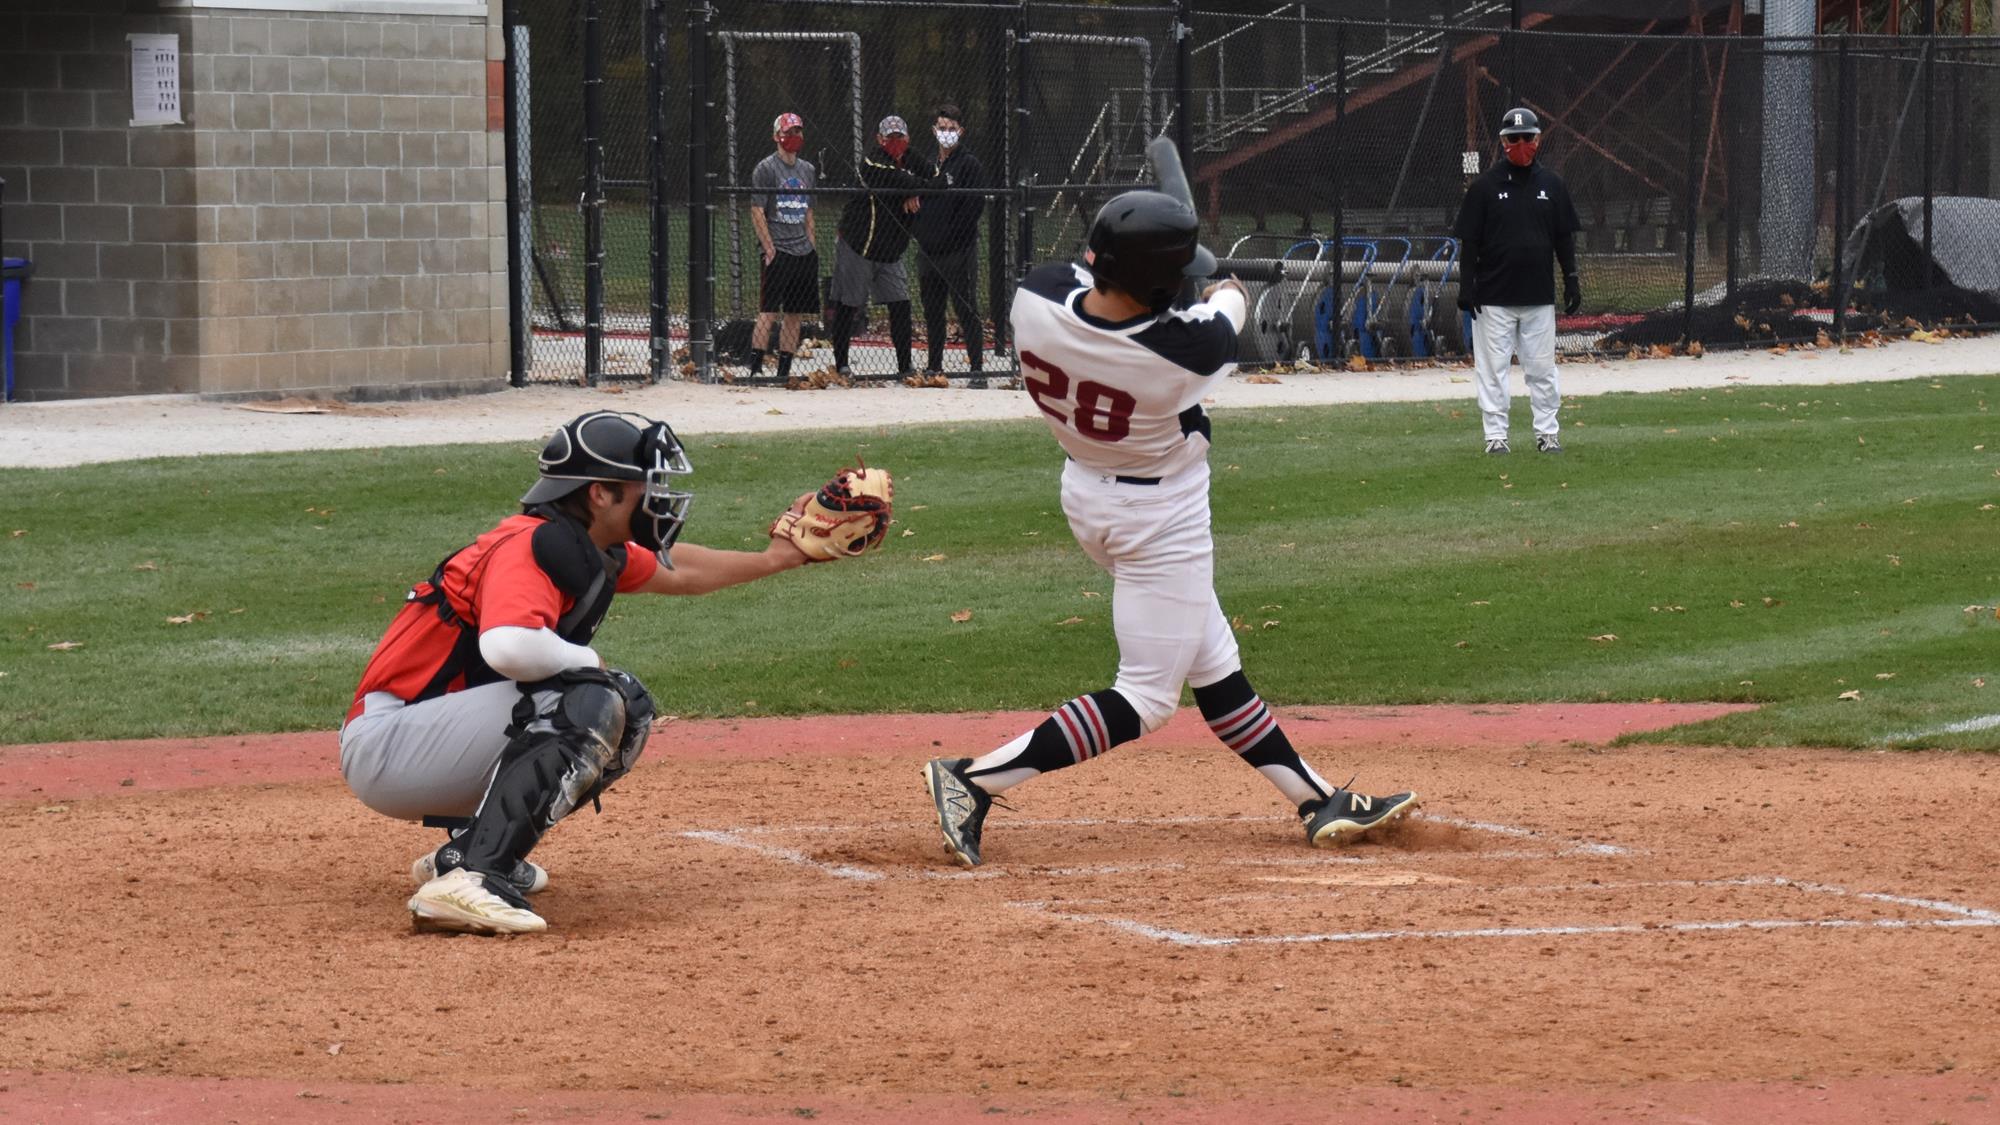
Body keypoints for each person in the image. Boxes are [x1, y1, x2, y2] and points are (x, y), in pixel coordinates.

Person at [922, 190, 1419, 868]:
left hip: (1087, 492)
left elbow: (1105, 283)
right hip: (1159, 517)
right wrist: (1224, 285)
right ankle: (973, 780)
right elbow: (1225, 313)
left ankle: (1316, 798)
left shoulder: (1032, 298)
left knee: (1213, 664)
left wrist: (1170, 268)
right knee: (1148, 697)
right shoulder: (1185, 352)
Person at [341, 411, 811, 934]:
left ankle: (468, 853)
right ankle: (473, 878)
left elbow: (685, 572)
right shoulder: (530, 544)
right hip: (390, 744)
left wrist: (781, 559)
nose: (656, 499)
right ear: (600, 494)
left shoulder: (583, 548)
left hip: (428, 738)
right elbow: (508, 645)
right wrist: (586, 662)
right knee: (587, 700)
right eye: (642, 487)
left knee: (625, 705)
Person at [1452, 106, 1583, 456]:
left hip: (1538, 296)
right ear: (1503, 142)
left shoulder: (1552, 185)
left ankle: (1547, 433)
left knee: (1542, 370)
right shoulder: (1483, 188)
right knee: (1492, 371)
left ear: (1538, 140)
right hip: (1493, 298)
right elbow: (1470, 242)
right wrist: (1467, 286)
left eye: (1527, 137)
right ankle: (1496, 436)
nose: (1521, 144)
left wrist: (1571, 279)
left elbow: (1564, 239)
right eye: (1514, 138)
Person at [830, 114, 937, 379]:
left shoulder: (913, 158)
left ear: (907, 138)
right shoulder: (871, 161)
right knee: (848, 305)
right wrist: (915, 189)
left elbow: (936, 177)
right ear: (880, 139)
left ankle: (905, 367)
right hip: (859, 244)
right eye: (889, 138)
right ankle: (842, 364)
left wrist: (917, 191)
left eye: (899, 137)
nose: (895, 142)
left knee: (901, 304)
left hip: (891, 250)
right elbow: (896, 180)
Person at [913, 103, 986, 382]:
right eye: (942, 129)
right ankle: (934, 367)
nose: (946, 133)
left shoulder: (969, 165)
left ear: (961, 131)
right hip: (929, 252)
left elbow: (973, 208)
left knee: (966, 310)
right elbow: (918, 200)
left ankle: (977, 370)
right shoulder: (929, 165)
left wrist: (950, 235)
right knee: (933, 312)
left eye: (951, 129)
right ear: (934, 130)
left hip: (959, 251)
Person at [748, 112, 817, 382]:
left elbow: (810, 210)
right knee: (768, 311)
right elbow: (757, 211)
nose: (794, 137)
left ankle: (784, 371)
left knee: (794, 313)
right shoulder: (765, 168)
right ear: (777, 136)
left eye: (798, 132)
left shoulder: (808, 170)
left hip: (802, 251)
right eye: (789, 132)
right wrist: (769, 247)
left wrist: (812, 245)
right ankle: (755, 368)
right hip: (778, 250)